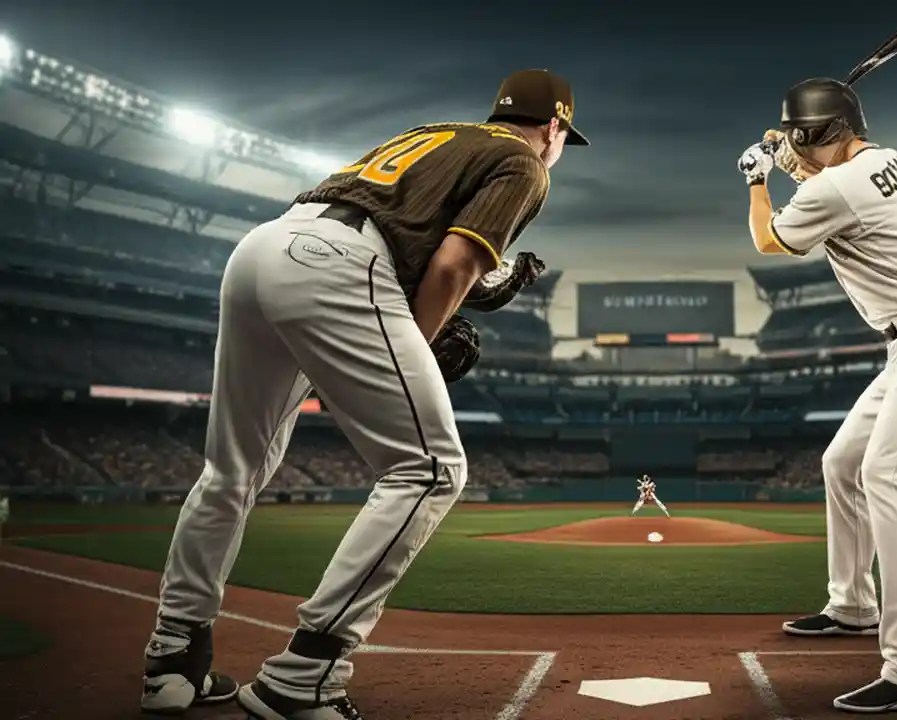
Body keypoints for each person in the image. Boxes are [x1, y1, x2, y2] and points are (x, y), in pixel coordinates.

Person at [139, 68, 588, 720]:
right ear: (552, 128)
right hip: (337, 265)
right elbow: (453, 265)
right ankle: (307, 673)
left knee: (231, 469)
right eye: (561, 138)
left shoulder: (433, 133)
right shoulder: (525, 164)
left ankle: (172, 660)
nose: (556, 150)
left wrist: (485, 291)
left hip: (263, 250)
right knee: (430, 470)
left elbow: (424, 248)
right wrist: (422, 342)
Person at [737, 78, 897, 714]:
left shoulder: (836, 186)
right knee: (844, 463)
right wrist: (794, 157)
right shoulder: (882, 159)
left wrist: (754, 176)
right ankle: (852, 604)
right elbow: (828, 183)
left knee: (889, 478)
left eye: (805, 140)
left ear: (813, 135)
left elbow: (769, 239)